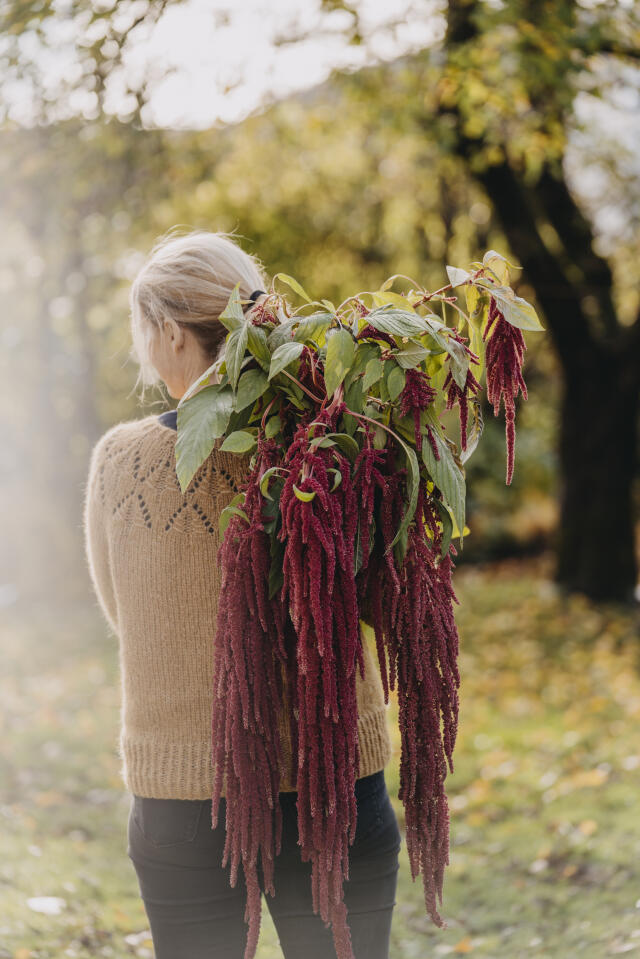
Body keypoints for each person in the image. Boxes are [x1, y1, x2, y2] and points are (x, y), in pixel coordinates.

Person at [82, 227, 402, 959]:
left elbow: (123, 613)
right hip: (334, 785)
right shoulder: (337, 440)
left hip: (185, 797)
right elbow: (382, 596)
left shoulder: (122, 464)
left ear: (171, 333)